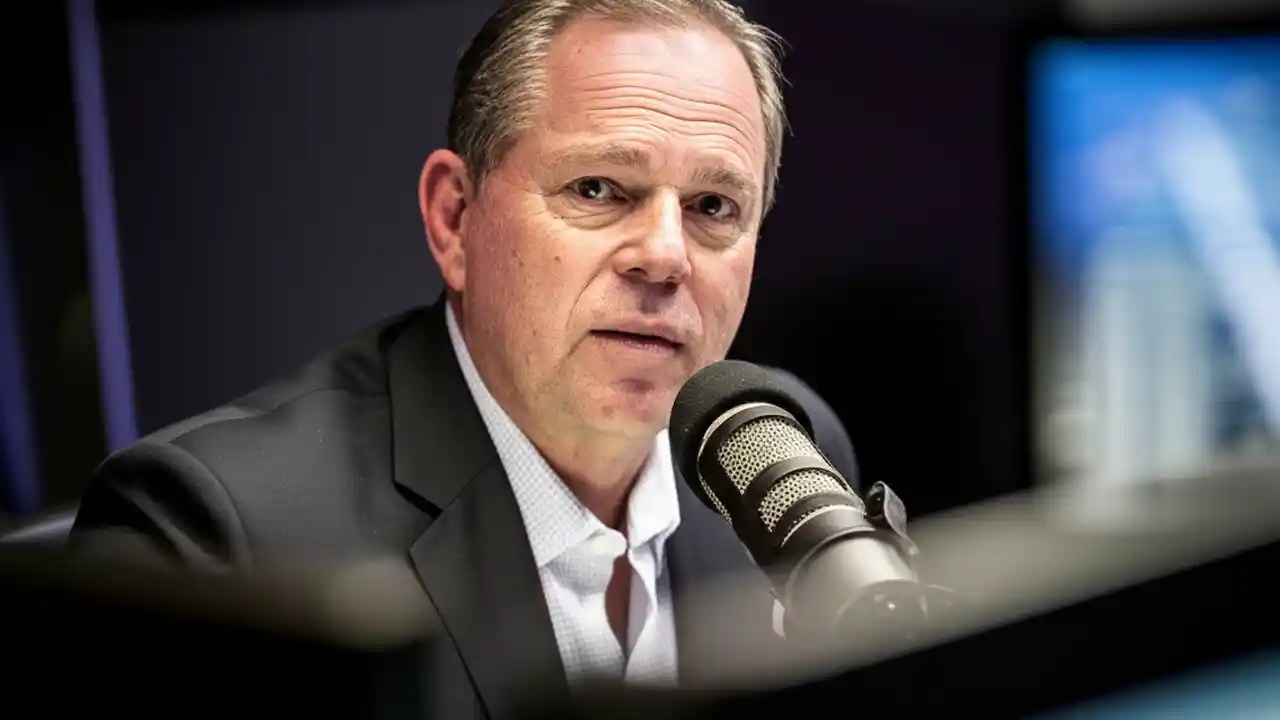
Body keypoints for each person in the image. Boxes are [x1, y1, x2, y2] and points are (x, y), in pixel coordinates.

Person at [70, 0, 858, 716]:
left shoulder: (772, 456)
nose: (664, 256)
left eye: (713, 207)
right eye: (597, 189)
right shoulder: (212, 539)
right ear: (454, 219)